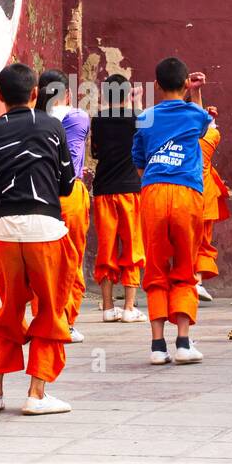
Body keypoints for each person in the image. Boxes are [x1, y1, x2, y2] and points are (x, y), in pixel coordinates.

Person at [0, 63, 76, 415]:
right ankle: (37, 394)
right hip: (45, 231)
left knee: (10, 309)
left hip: (1, 232)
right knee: (49, 309)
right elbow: (67, 185)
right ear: (35, 94)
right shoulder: (53, 127)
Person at [131, 58, 211, 365]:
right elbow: (205, 123)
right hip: (187, 192)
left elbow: (138, 159)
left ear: (159, 86)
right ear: (185, 84)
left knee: (155, 266)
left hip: (152, 190)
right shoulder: (194, 113)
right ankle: (183, 341)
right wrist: (197, 92)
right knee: (185, 266)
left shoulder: (146, 117)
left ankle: (156, 346)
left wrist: (155, 179)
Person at [37, 69, 91, 342]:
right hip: (69, 194)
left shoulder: (33, 120)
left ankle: (46, 319)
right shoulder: (78, 117)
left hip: (39, 192)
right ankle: (65, 320)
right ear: (67, 95)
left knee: (43, 260)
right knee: (71, 260)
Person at [89, 74, 146, 323]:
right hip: (131, 190)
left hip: (103, 189)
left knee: (106, 248)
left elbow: (96, 151)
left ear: (103, 95)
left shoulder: (98, 121)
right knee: (132, 248)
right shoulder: (137, 119)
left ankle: (108, 308)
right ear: (127, 95)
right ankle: (130, 308)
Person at [193, 100, 231, 301]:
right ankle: (197, 280)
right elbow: (210, 129)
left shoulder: (181, 138)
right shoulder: (212, 138)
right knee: (203, 242)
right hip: (205, 197)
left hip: (182, 195)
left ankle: (184, 280)